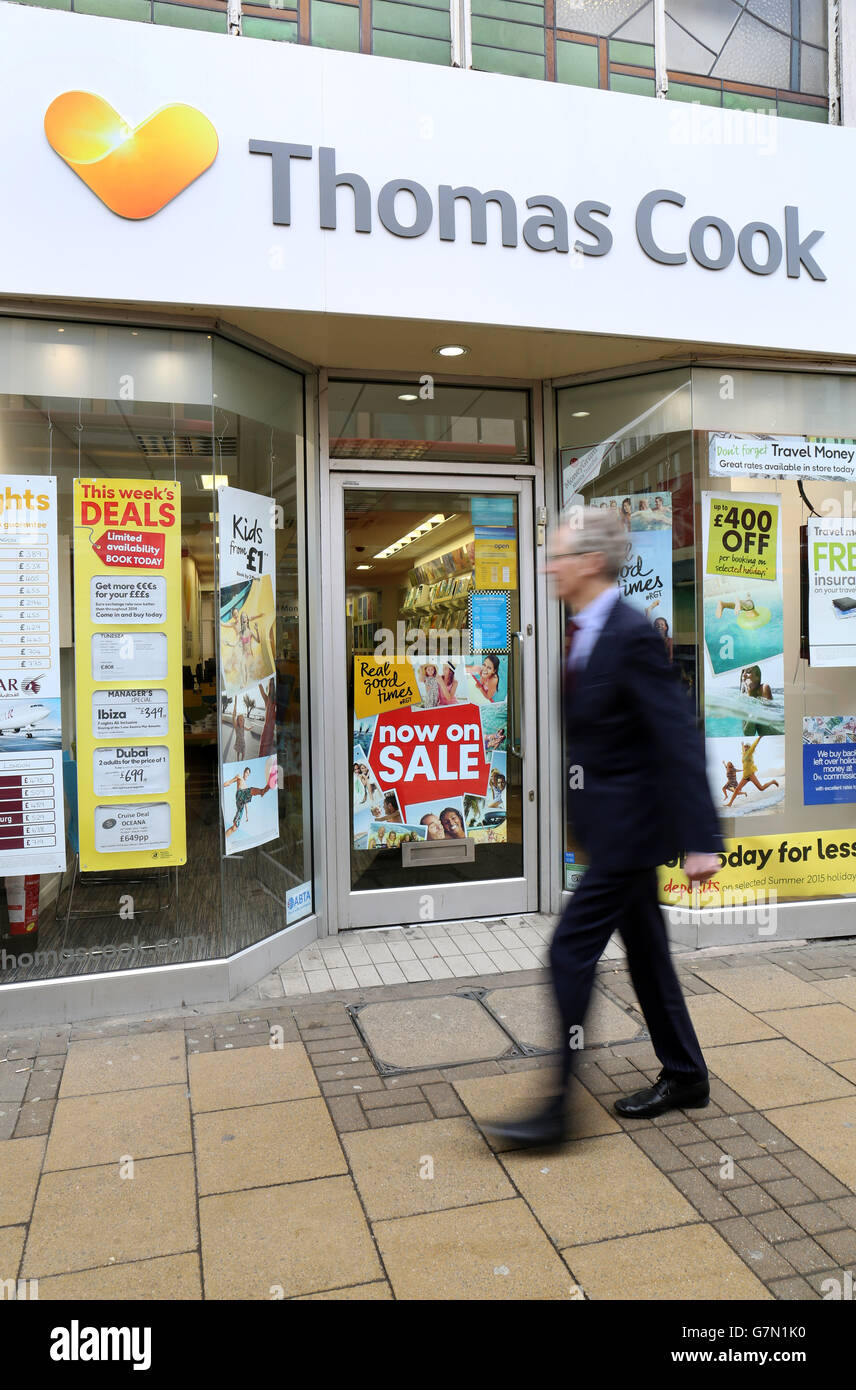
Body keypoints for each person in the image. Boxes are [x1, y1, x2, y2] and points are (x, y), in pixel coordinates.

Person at [482, 507, 722, 1147]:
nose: (549, 566)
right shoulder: (583, 629)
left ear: (590, 562)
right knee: (648, 957)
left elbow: (677, 735)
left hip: (629, 834)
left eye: (558, 555)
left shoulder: (630, 633)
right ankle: (687, 1074)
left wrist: (702, 836)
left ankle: (555, 1111)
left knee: (567, 953)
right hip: (612, 828)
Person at [727, 734, 779, 808]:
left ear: (749, 748)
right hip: (745, 776)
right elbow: (742, 749)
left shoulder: (750, 752)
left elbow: (754, 745)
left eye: (746, 746)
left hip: (751, 775)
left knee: (761, 788)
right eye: (745, 746)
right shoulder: (744, 754)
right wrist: (742, 745)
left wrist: (759, 737)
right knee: (737, 789)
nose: (745, 747)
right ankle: (730, 803)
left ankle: (772, 781)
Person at [223, 766, 271, 839]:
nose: (247, 775)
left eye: (248, 774)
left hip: (241, 803)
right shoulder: (239, 777)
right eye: (246, 773)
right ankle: (261, 791)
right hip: (240, 795)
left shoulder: (246, 786)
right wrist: (222, 785)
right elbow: (230, 782)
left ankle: (224, 838)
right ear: (244, 772)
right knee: (250, 790)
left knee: (235, 827)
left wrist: (247, 814)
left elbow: (246, 802)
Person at [258, 677, 276, 758]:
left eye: (273, 684)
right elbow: (261, 688)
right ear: (269, 687)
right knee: (262, 754)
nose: (271, 687)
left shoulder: (276, 702)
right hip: (265, 732)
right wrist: (257, 679)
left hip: (271, 733)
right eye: (270, 685)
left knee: (268, 756)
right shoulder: (266, 699)